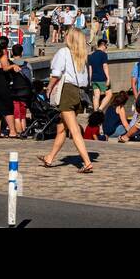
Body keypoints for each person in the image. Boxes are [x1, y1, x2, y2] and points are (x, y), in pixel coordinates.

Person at [38, 31, 95, 173]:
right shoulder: (82, 55)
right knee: (62, 128)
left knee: (74, 129)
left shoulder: (64, 52)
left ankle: (87, 162)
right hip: (79, 93)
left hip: (67, 92)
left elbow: (56, 73)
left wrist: (49, 87)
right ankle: (49, 157)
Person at [0, 46, 22, 138]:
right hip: (3, 86)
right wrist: (13, 65)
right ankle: (12, 132)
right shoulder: (3, 56)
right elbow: (5, 68)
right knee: (8, 108)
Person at [88, 37, 111, 111]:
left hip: (94, 79)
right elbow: (105, 66)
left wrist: (90, 80)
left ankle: (95, 112)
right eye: (106, 46)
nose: (106, 48)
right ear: (103, 45)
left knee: (96, 96)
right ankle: (100, 109)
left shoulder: (91, 55)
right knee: (109, 94)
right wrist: (108, 78)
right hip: (102, 78)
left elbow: (90, 69)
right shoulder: (103, 54)